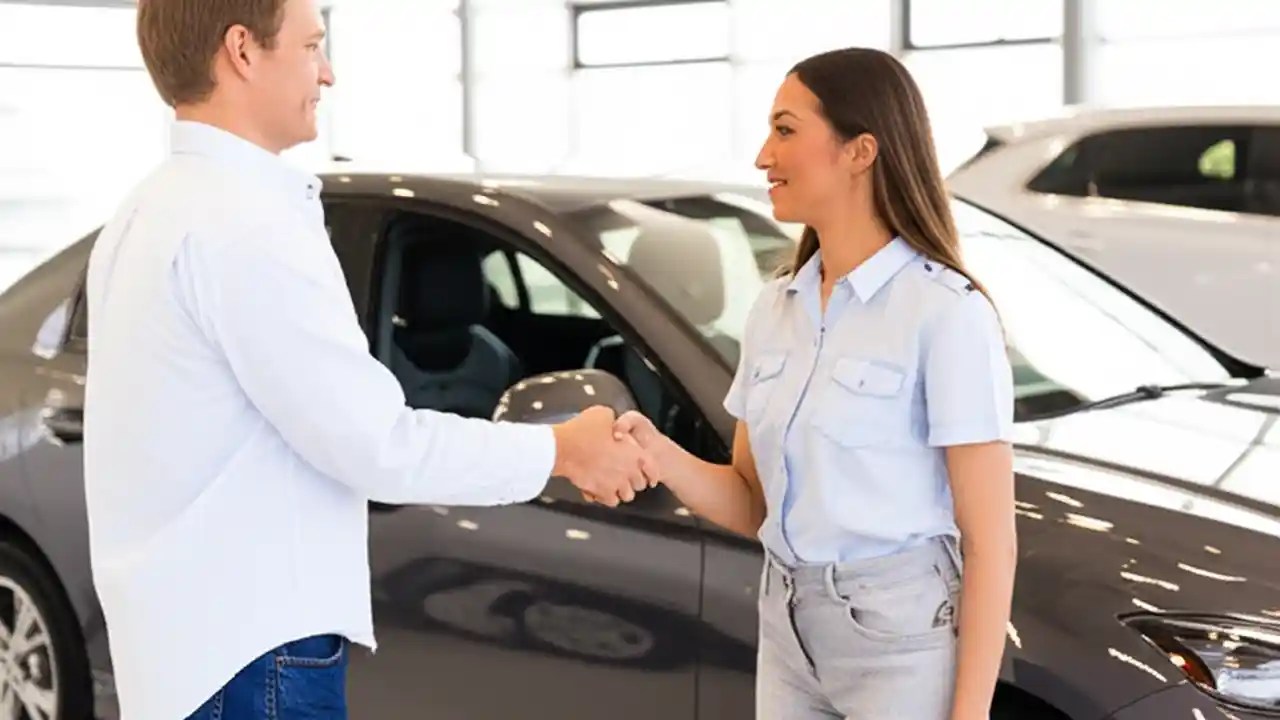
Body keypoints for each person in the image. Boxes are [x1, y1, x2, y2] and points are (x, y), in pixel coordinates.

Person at [83, 1, 657, 719]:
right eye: (312, 45)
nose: (327, 72)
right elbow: (375, 444)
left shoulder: (150, 209)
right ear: (242, 51)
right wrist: (560, 450)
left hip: (189, 647)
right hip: (254, 655)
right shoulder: (245, 224)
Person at [614, 47, 1017, 720]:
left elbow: (991, 543)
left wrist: (968, 717)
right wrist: (660, 456)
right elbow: (753, 502)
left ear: (861, 151)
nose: (763, 156)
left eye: (785, 129)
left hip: (899, 638)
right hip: (787, 628)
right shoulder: (775, 310)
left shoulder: (945, 313)